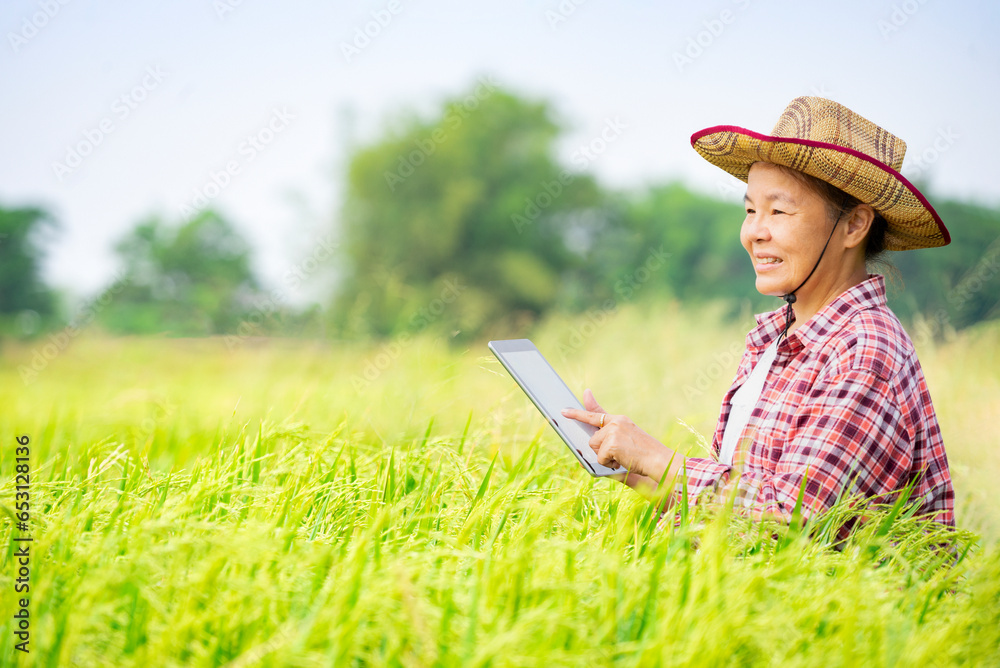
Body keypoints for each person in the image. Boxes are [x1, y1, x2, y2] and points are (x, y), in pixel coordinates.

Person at [561, 96, 955, 528]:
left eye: (778, 211)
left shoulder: (863, 348)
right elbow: (739, 512)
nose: (753, 233)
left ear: (854, 225)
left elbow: (792, 518)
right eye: (750, 210)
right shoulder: (778, 339)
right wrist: (635, 469)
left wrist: (657, 456)